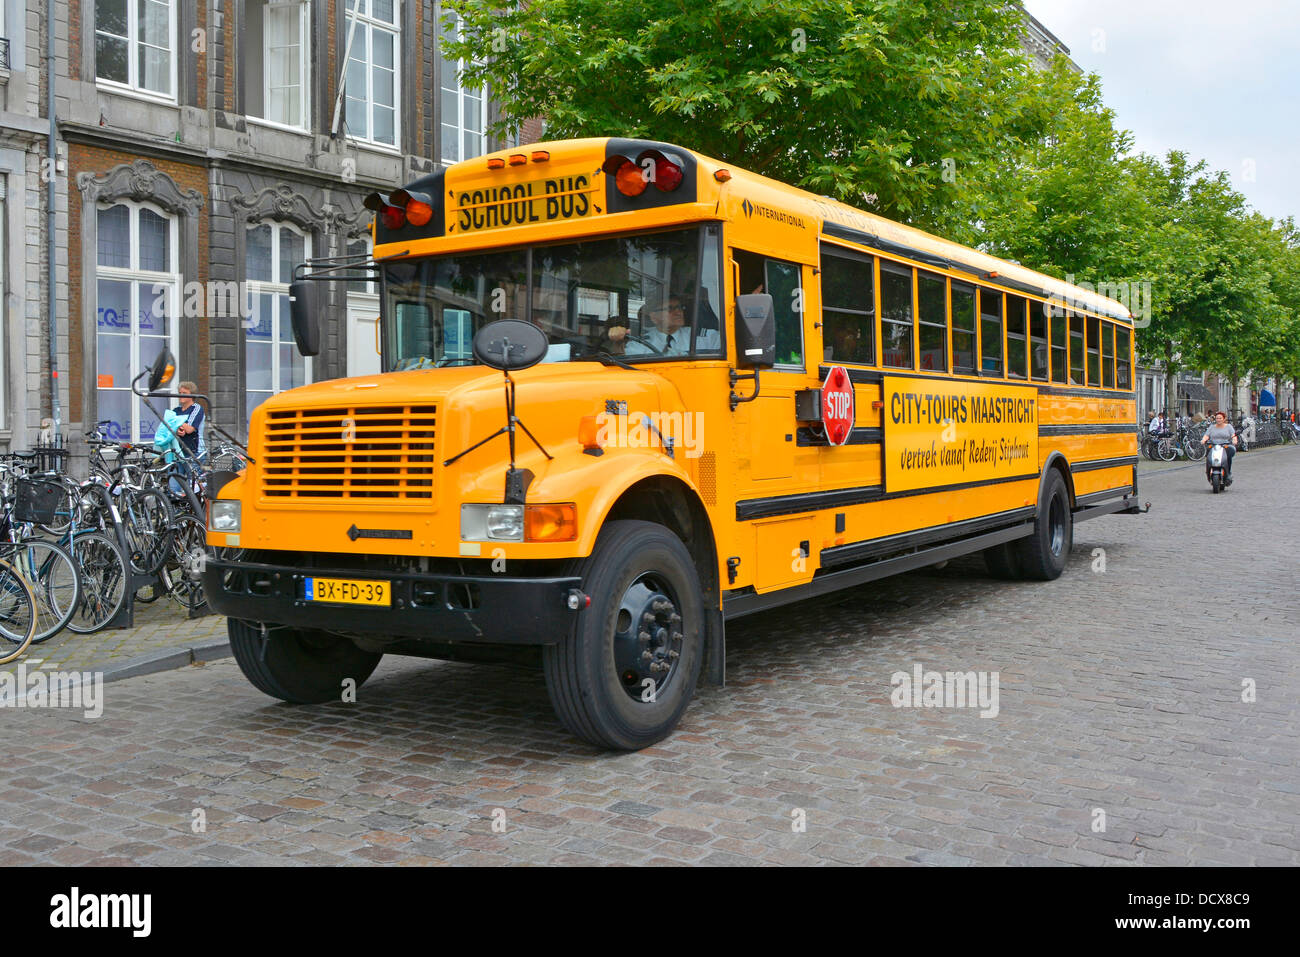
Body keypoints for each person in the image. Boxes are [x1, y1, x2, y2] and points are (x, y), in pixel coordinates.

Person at [608, 294, 721, 357]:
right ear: (654, 317)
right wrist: (618, 343)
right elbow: (629, 365)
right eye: (670, 309)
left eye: (679, 307)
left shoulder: (702, 336)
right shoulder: (641, 341)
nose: (678, 312)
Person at [1200, 410, 1238, 486]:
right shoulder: (1212, 427)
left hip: (1225, 445)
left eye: (1220, 418)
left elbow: (1233, 435)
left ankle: (1228, 472)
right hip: (1214, 445)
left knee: (1229, 452)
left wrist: (1234, 440)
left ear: (1223, 419)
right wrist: (1203, 440)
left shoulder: (1228, 427)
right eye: (1217, 418)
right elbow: (1207, 435)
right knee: (1208, 454)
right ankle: (1208, 469)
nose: (1218, 420)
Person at [173, 381, 206, 460]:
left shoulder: (196, 408)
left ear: (192, 395)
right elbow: (169, 427)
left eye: (184, 393)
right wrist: (177, 430)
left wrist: (175, 420)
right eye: (179, 393)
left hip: (195, 452)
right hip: (179, 452)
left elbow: (189, 429)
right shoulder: (176, 410)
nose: (181, 395)